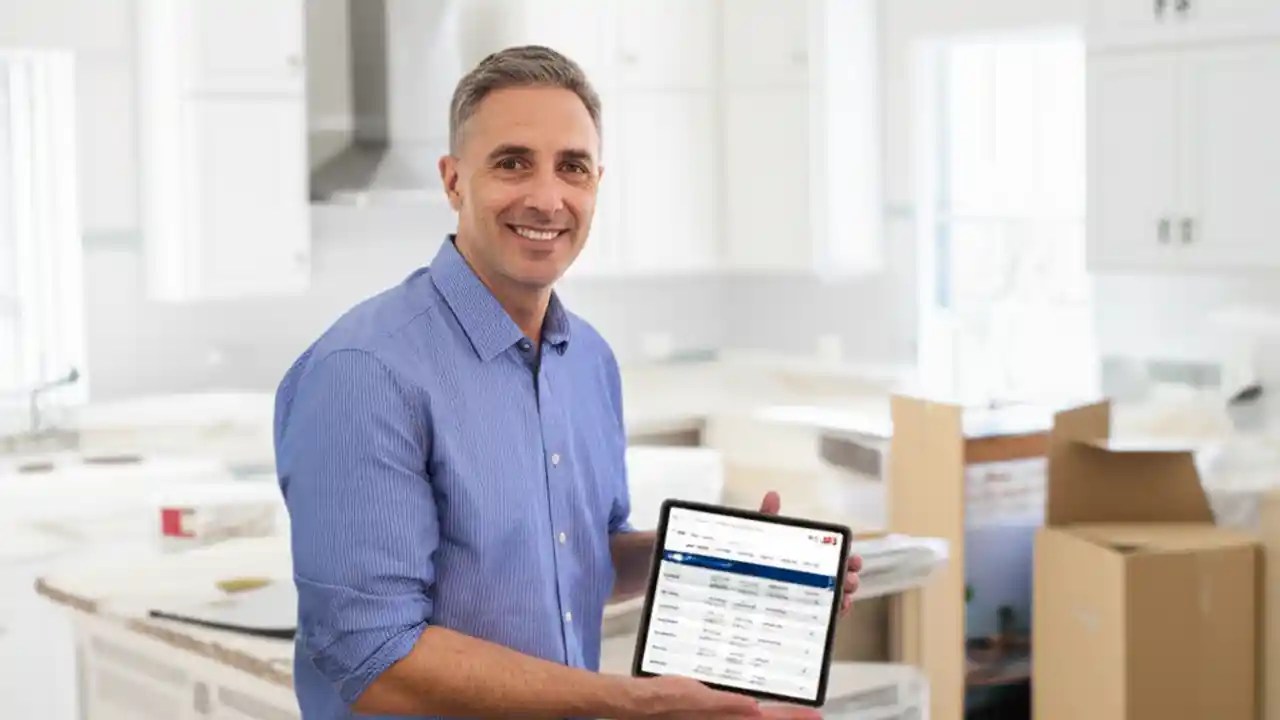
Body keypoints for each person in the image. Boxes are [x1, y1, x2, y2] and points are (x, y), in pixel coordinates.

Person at [274, 45, 863, 720]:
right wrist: (636, 705)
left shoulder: (588, 361)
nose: (547, 198)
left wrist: (730, 565)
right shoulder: (363, 372)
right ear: (453, 180)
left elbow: (580, 558)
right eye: (512, 163)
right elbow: (374, 658)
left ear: (596, 185)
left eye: (573, 168)